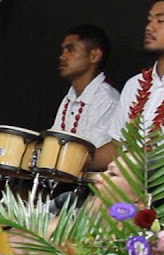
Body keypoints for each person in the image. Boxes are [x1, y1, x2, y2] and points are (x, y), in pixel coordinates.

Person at [98, 0, 164, 167]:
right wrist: (77, 160)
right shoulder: (134, 85)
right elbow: (118, 146)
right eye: (149, 20)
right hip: (129, 191)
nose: (149, 27)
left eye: (160, 20)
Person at [50, 24, 120, 169]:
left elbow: (90, 153)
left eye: (71, 49)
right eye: (63, 50)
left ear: (94, 56)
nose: (62, 56)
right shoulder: (69, 97)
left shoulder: (108, 100)